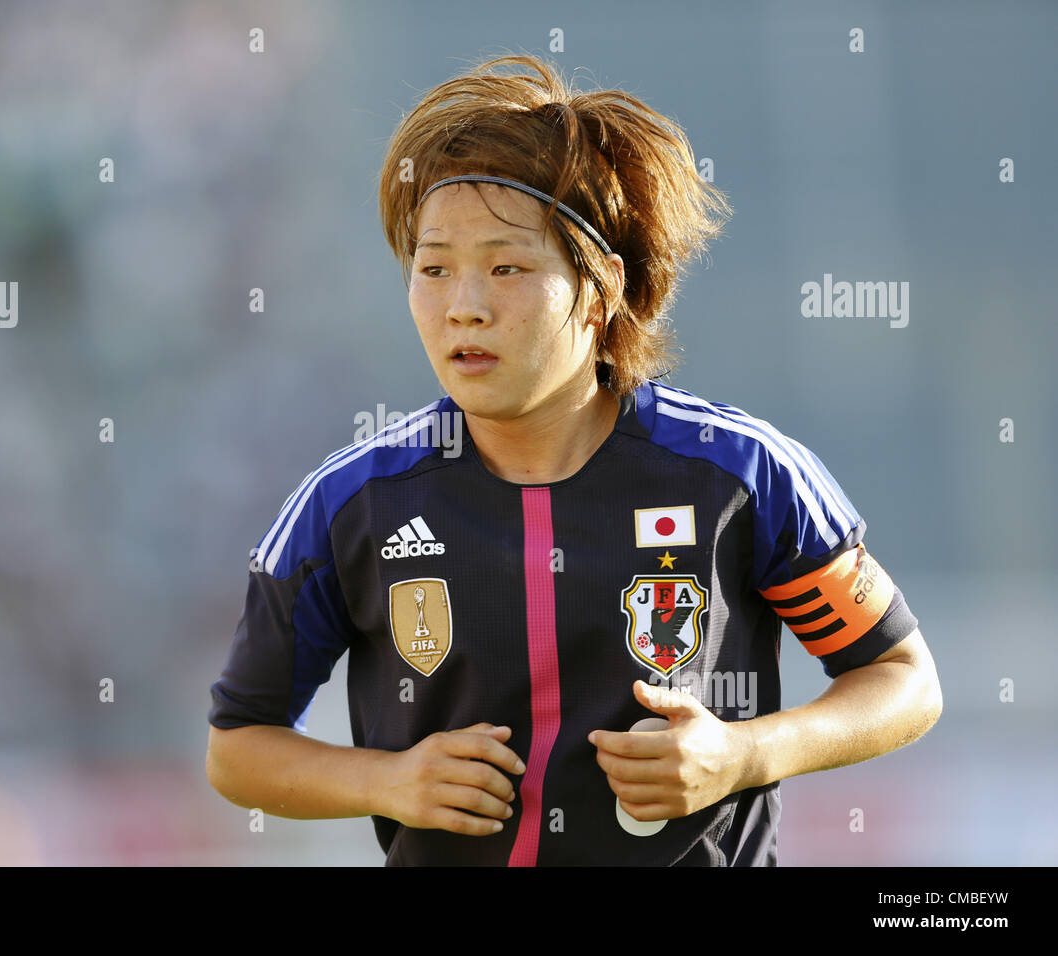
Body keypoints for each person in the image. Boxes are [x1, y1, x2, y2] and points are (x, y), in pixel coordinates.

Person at [205, 53, 941, 865]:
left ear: (601, 291)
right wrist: (389, 781)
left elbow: (904, 680)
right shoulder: (352, 503)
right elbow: (239, 746)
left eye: (507, 267)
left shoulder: (742, 474)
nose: (465, 306)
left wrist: (745, 754)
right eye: (434, 267)